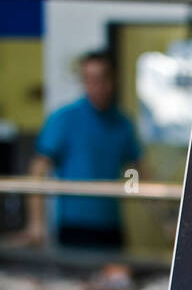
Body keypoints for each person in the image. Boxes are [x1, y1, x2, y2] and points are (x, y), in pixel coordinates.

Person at [13, 51, 141, 249]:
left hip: (112, 225)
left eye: (100, 78)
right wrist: (36, 224)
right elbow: (38, 170)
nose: (95, 86)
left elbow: (135, 169)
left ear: (112, 79)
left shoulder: (123, 124)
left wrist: (133, 188)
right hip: (74, 226)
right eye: (89, 79)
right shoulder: (64, 119)